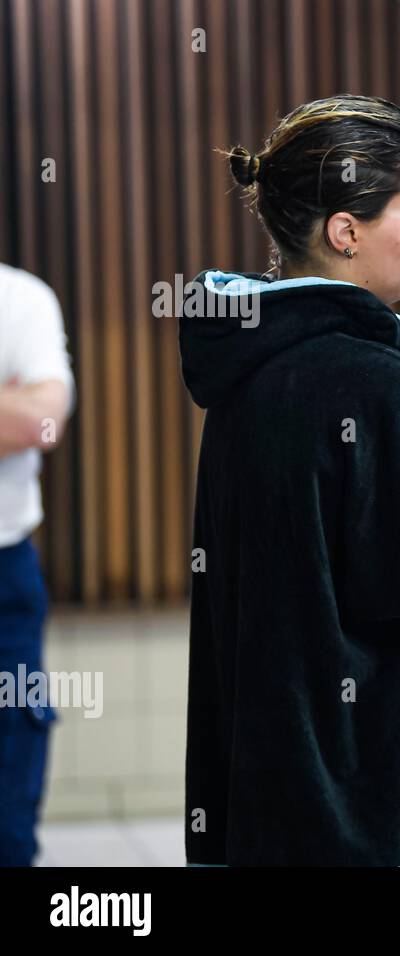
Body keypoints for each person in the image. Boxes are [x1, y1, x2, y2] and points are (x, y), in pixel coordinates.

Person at [180, 95, 400, 866]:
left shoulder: (239, 389)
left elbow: (320, 598)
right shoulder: (391, 392)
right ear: (346, 232)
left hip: (261, 816)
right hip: (387, 820)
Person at [0, 262, 75, 866]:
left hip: (5, 570)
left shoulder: (20, 298)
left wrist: (22, 410)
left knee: (12, 743)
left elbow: (39, 421)